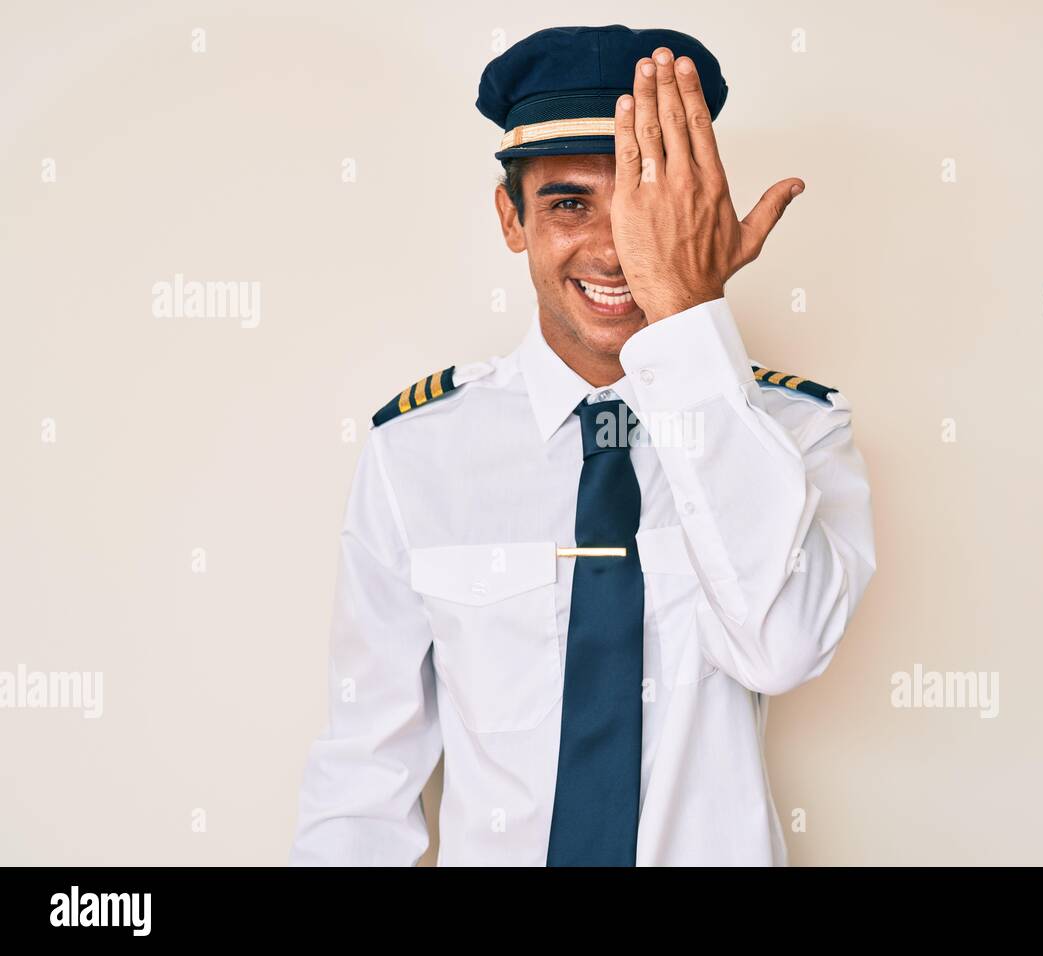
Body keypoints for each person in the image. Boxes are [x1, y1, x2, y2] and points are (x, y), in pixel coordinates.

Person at [289, 24, 876, 867]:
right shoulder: (414, 454)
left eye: (647, 207)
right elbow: (363, 777)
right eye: (571, 203)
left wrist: (686, 312)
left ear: (695, 218)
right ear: (512, 218)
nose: (615, 250)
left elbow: (782, 648)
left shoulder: (791, 430)